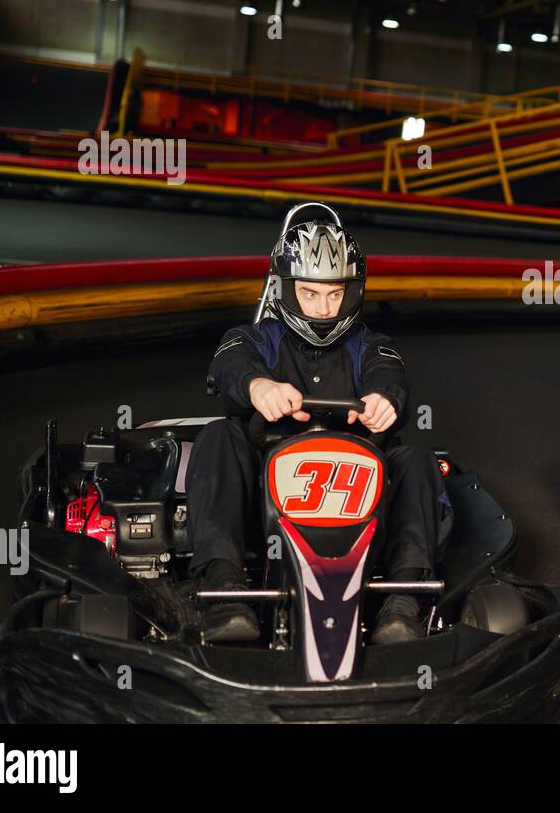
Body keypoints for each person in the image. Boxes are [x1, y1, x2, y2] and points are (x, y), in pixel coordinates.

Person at [186, 214, 451, 644]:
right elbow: (229, 363)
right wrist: (258, 386)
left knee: (418, 457)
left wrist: (385, 400)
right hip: (266, 501)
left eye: (334, 294)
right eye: (310, 293)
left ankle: (402, 599)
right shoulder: (253, 338)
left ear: (354, 292)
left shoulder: (372, 345)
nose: (323, 309)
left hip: (357, 494)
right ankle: (226, 589)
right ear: (285, 289)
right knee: (220, 434)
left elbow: (390, 374)